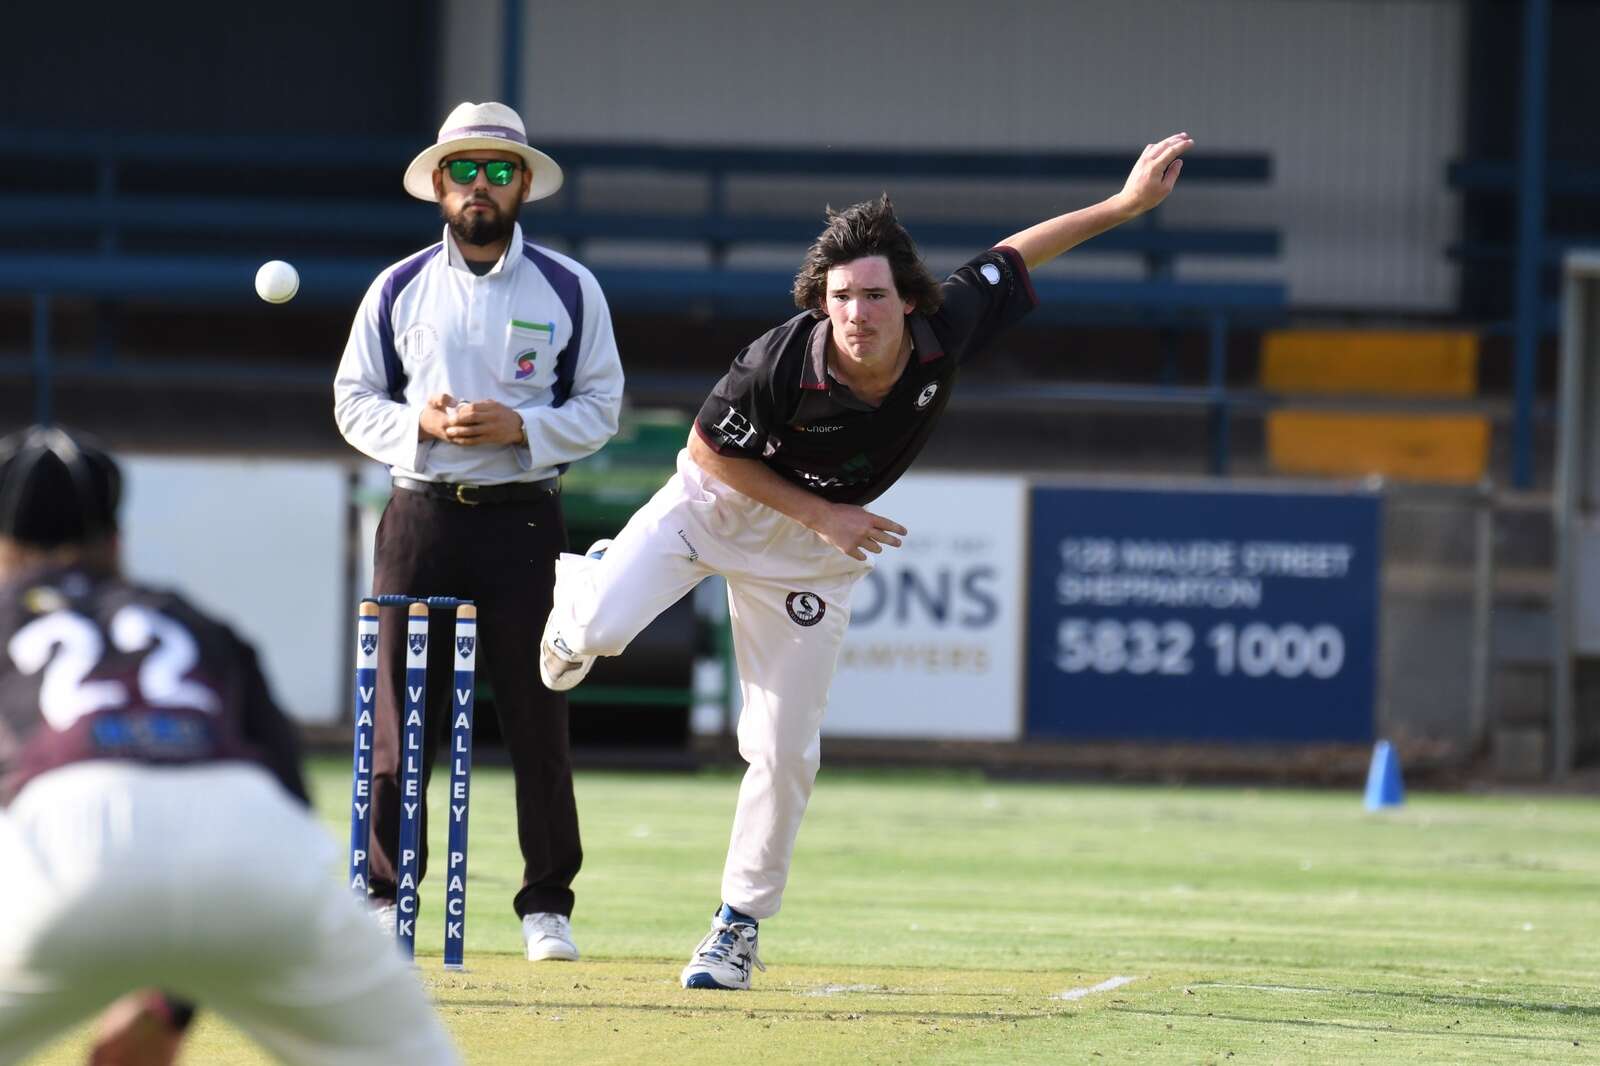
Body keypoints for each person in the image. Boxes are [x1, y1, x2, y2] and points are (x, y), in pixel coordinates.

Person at [540, 134, 1195, 989]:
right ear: (823, 303)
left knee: (785, 751)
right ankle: (586, 585)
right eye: (842, 297)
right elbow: (707, 455)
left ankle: (736, 928)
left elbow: (1016, 252)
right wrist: (826, 513)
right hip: (715, 506)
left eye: (875, 295)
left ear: (907, 300)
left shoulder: (944, 326)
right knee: (598, 630)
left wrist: (1124, 205)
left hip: (809, 559)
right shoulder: (776, 361)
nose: (858, 314)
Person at [0, 426, 459, 1065]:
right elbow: (289, 789)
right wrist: (171, 1006)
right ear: (116, 539)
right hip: (259, 853)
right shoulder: (189, 619)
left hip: (73, 854)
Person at [334, 100, 624, 962]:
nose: (480, 187)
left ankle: (547, 906)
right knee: (401, 716)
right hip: (419, 516)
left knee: (537, 711)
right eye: (464, 170)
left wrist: (522, 427)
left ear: (524, 184)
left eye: (499, 171)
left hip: (524, 517)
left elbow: (601, 405)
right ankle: (387, 896)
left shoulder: (569, 287)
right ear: (439, 185)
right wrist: (418, 424)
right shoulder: (398, 286)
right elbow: (352, 400)